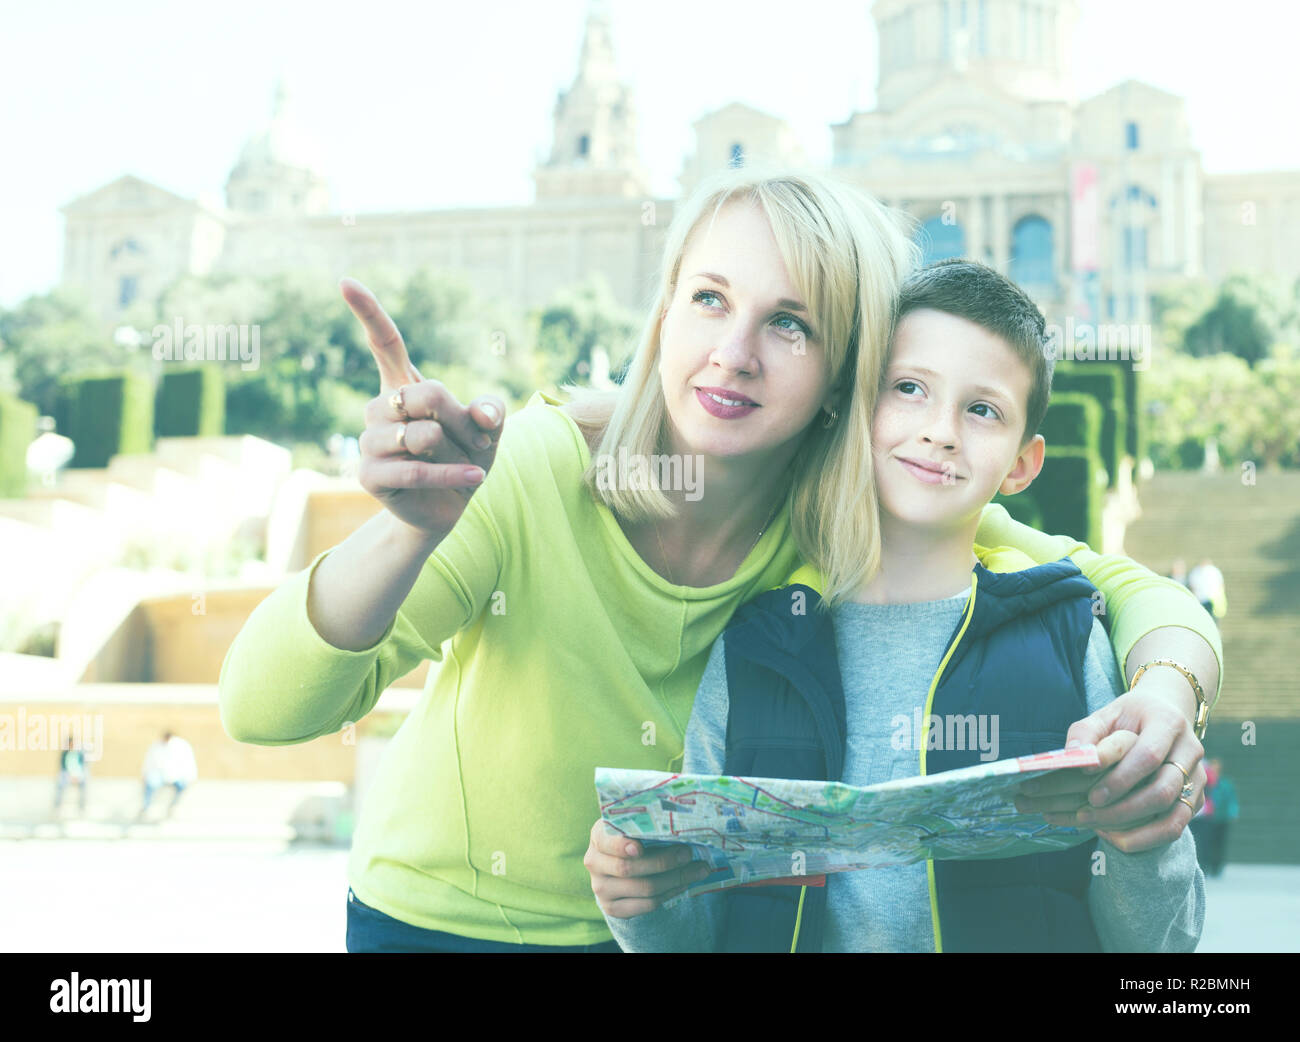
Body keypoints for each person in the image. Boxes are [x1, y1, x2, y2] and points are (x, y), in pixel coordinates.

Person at [219, 164, 1222, 953]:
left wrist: (1169, 689)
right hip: (440, 927)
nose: (732, 353)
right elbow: (265, 711)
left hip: (660, 935)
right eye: (707, 299)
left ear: (847, 378)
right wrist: (410, 525)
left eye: (790, 322)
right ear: (661, 315)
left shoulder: (851, 512)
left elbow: (1121, 589)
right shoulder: (528, 465)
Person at [588, 259, 1205, 952]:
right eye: (909, 388)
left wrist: (1140, 838)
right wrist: (640, 904)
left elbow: (1161, 948)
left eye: (982, 409)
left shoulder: (1069, 638)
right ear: (855, 408)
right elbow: (697, 932)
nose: (940, 431)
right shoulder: (754, 650)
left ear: (1022, 464)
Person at [138, 731, 197, 820]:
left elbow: (189, 762)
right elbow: (149, 762)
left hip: (176, 775)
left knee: (181, 786)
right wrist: (145, 774)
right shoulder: (156, 746)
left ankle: (172, 807)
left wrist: (191, 776)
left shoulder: (182, 746)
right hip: (159, 775)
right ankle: (146, 807)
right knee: (150, 785)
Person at [53, 735, 88, 816]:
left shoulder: (79, 754)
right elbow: (63, 767)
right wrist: (70, 776)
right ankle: (57, 806)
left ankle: (82, 807)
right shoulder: (65, 753)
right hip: (67, 775)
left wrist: (77, 775)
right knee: (60, 784)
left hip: (78, 775)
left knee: (84, 784)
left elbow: (82, 766)